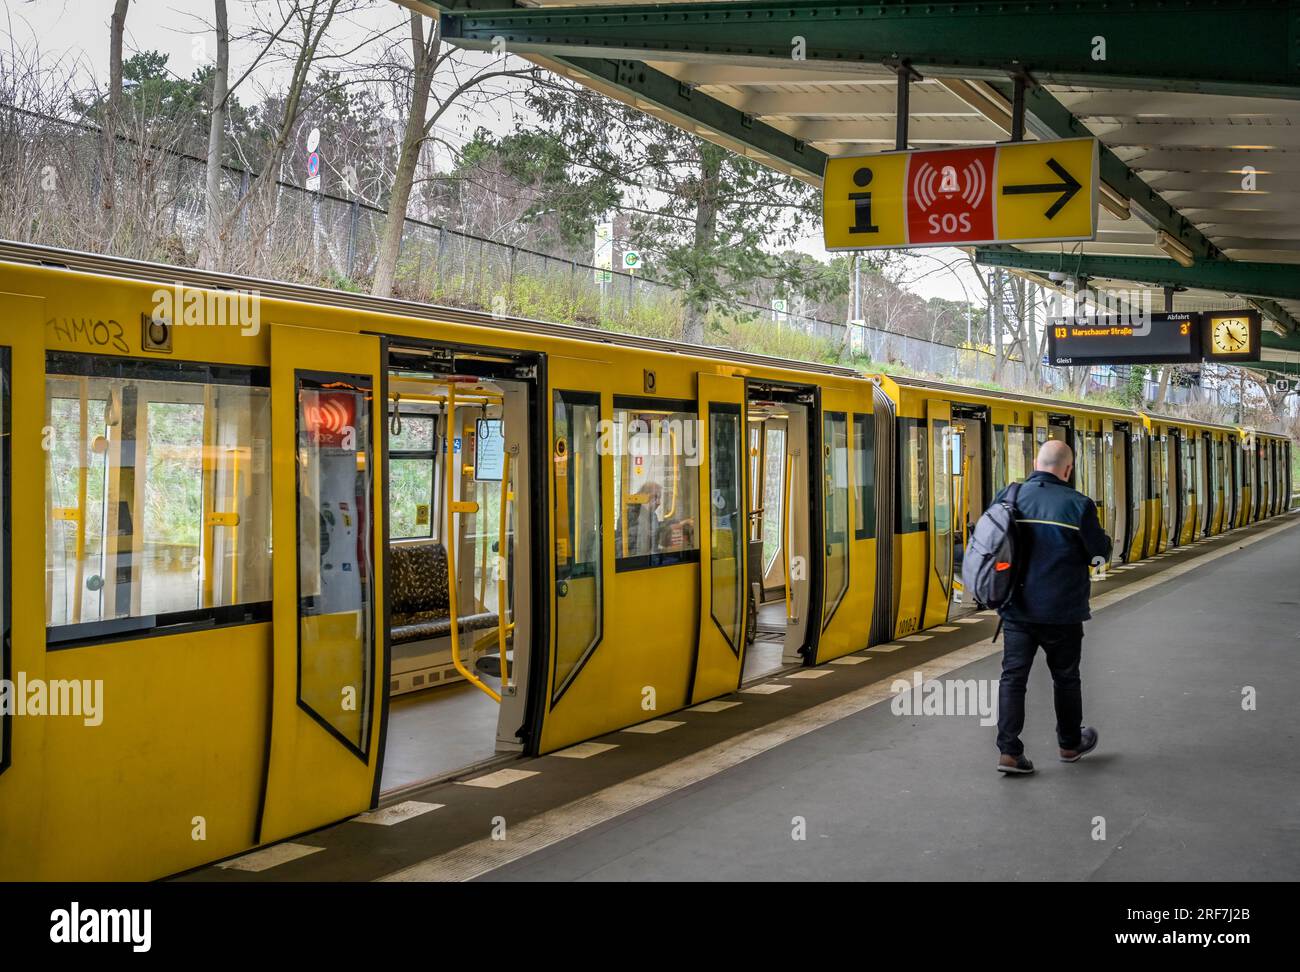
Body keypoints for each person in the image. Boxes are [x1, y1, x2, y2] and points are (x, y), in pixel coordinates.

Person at [993, 439, 1112, 776]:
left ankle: (1009, 752)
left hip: (1016, 608)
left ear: (1035, 462)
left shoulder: (1009, 496)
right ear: (1068, 469)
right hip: (1062, 610)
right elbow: (1098, 556)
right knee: (1065, 678)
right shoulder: (1078, 505)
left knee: (1013, 678)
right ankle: (1070, 744)